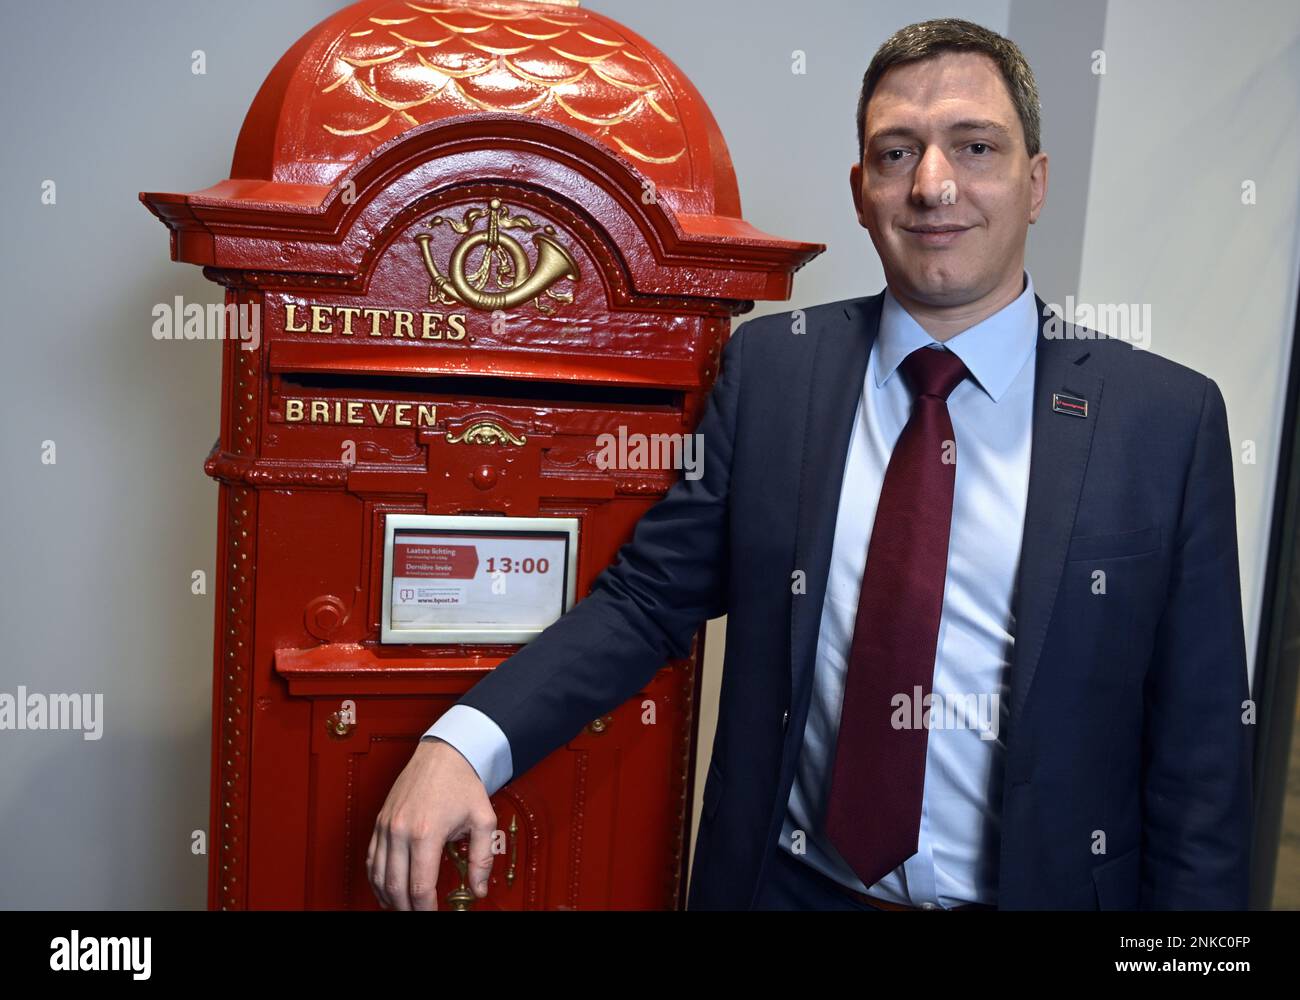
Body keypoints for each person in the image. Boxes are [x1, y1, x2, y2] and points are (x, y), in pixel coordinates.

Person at [366, 17, 1253, 911]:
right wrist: (465, 741)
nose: (933, 184)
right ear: (862, 190)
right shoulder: (776, 371)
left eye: (974, 146)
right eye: (897, 153)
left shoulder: (1163, 420)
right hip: (789, 890)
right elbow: (646, 601)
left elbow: (1204, 754)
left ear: (1035, 182)